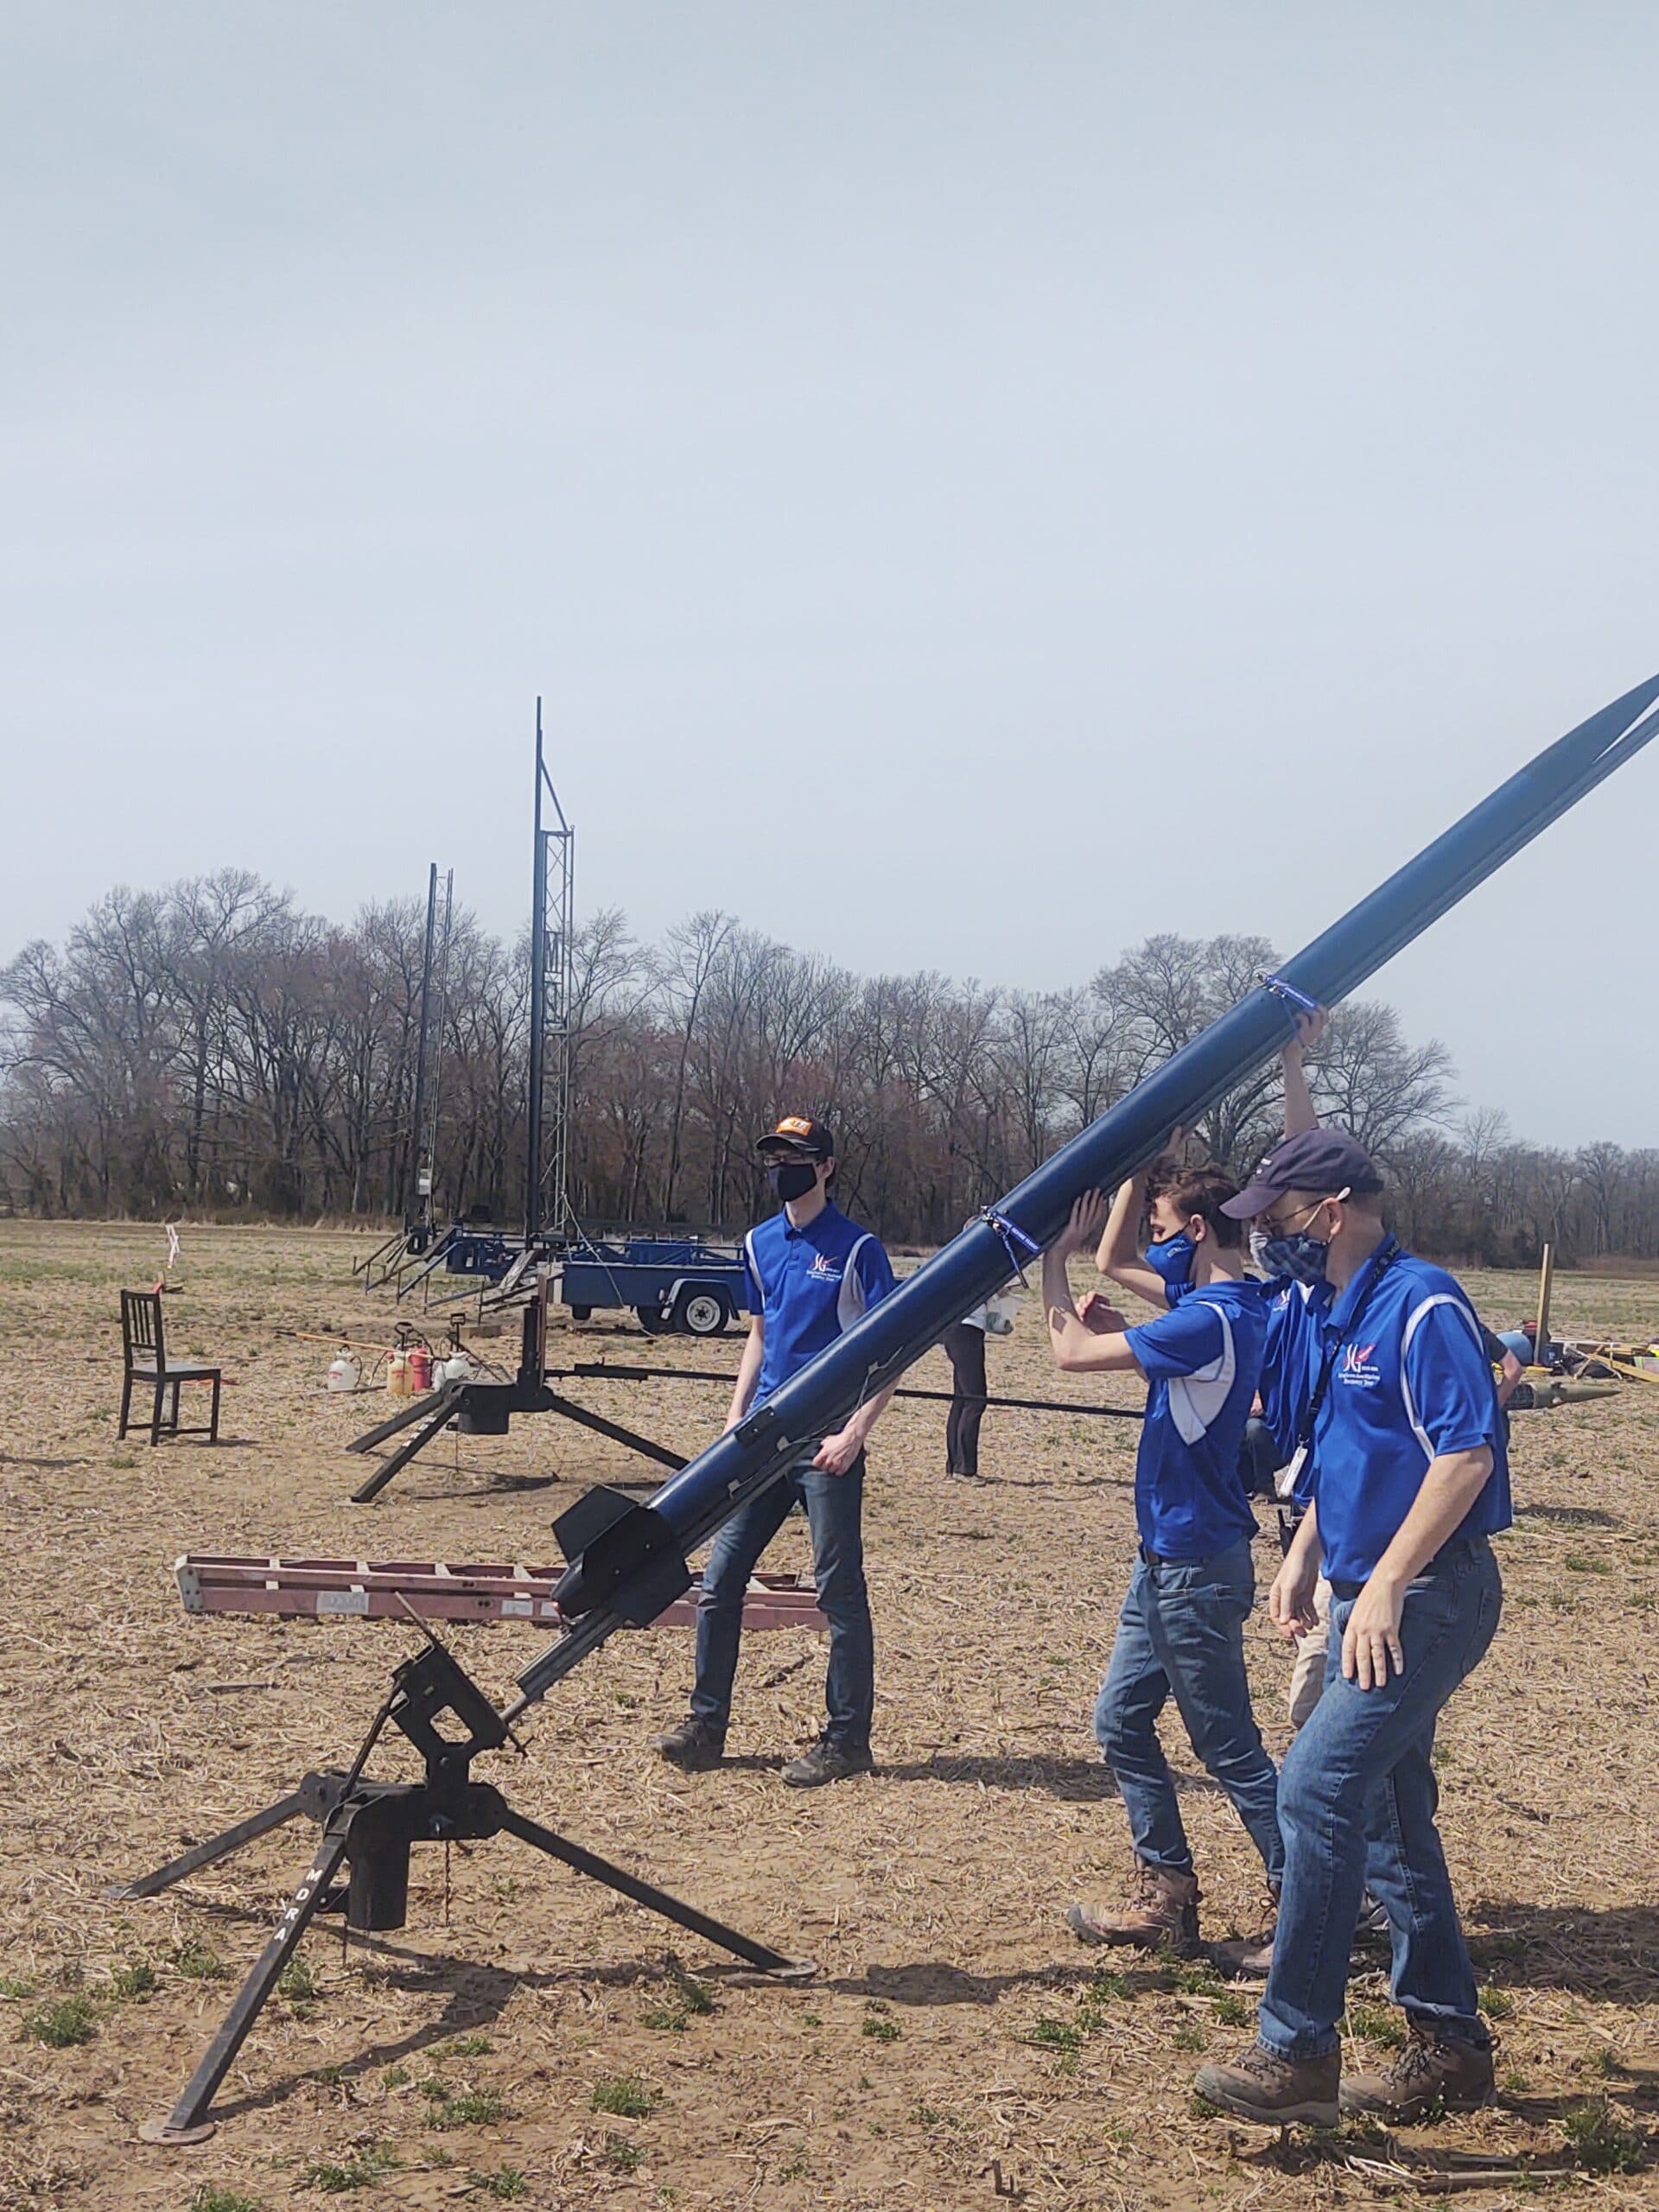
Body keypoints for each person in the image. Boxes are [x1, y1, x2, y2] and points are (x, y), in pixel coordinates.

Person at [1194, 1128, 1510, 2128]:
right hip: (1373, 1588)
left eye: (1279, 1220)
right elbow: (1355, 1451)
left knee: (1318, 1785)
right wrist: (1308, 1557)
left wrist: (1382, 1587)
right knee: (1382, 1808)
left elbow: (1462, 1457)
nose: (1269, 1239)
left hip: (1431, 1595)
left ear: (1330, 1210)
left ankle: (1297, 2050)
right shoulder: (1344, 1310)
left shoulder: (1423, 1303)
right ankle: (1450, 2044)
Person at [1042, 1154, 1278, 1959]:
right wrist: (1136, 1174)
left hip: (1194, 1567)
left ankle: (1313, 1906)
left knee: (1229, 1747)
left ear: (1200, 1230)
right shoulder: (1222, 1302)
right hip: (1167, 1561)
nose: (1153, 1241)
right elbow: (1117, 1263)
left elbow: (1069, 1353)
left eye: (1163, 1228)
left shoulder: (1208, 1318)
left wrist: (1049, 1260)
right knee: (1120, 1720)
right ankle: (1167, 1894)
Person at [652, 1116, 899, 1788]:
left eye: (796, 1157)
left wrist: (855, 1434)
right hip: (762, 1443)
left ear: (826, 1168)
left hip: (826, 1447)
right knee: (719, 1583)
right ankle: (705, 1726)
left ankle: (848, 1739)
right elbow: (759, 1335)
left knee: (838, 1591)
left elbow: (892, 1351)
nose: (782, 1168)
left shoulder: (858, 1249)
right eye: (774, 1157)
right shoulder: (760, 1243)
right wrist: (735, 1416)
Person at [943, 1286, 1018, 1478]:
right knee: (976, 1400)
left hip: (960, 1329)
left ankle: (955, 1465)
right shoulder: (973, 1274)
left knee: (962, 1399)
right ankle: (965, 1469)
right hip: (966, 1330)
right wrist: (996, 1291)